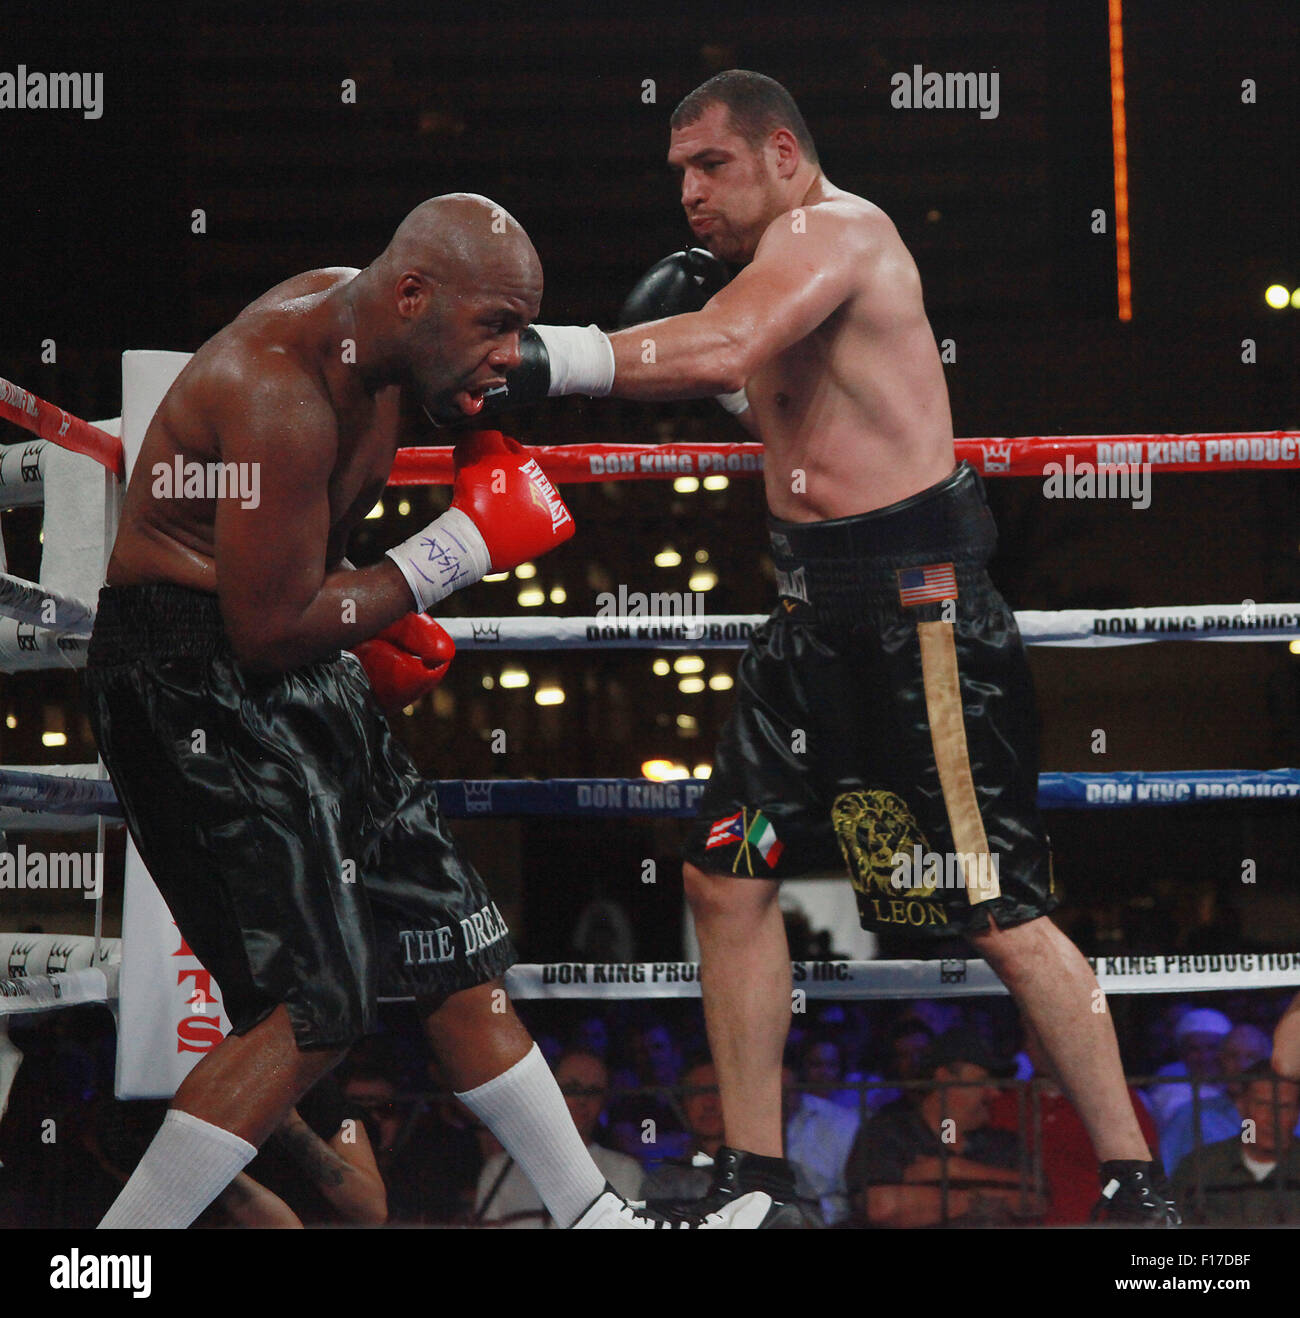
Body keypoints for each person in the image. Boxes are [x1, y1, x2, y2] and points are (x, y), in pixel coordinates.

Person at [472, 69, 1178, 1226]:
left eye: (713, 165)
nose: (690, 194)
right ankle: (755, 1175)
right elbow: (768, 402)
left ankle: (1135, 1182)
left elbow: (717, 348)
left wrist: (543, 355)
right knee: (724, 867)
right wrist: (709, 378)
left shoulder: (835, 231)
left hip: (918, 624)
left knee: (994, 908)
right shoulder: (773, 276)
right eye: (679, 174)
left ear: (785, 155)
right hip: (807, 631)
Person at [85, 194, 659, 1230]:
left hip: (290, 655)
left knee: (457, 944)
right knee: (318, 1007)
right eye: (494, 327)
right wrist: (459, 549)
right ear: (411, 295)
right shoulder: (276, 390)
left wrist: (366, 605)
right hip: (191, 680)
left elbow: (297, 571)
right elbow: (264, 628)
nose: (505, 356)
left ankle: (593, 1215)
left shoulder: (394, 354)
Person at [847, 1030, 1035, 1228]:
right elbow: (883, 1207)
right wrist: (978, 1199)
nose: (994, 1093)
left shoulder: (1001, 1142)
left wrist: (956, 1169)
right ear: (944, 1078)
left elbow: (1035, 1199)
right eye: (984, 1081)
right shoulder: (887, 1133)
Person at [474, 1051, 643, 1227]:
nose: (582, 1100)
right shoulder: (499, 1169)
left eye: (593, 1092)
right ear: (546, 1090)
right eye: (572, 1089)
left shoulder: (624, 1171)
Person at [1170, 1063, 1300, 1225]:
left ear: (1297, 1113)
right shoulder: (1198, 1169)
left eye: (1284, 1107)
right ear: (1241, 1107)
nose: (1272, 1119)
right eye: (1262, 1105)